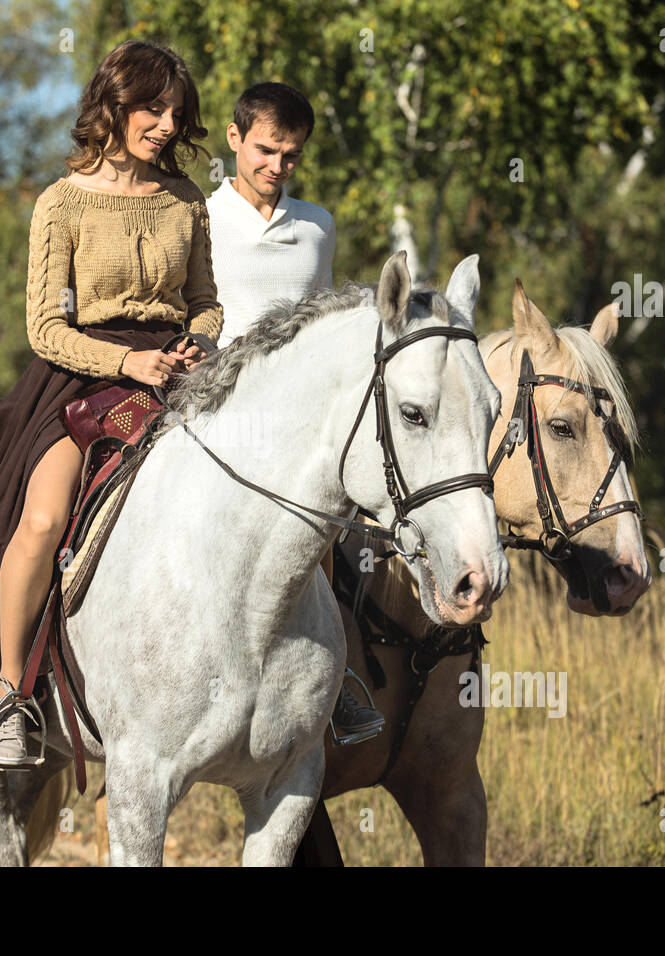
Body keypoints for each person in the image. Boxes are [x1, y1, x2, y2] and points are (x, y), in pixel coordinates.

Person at [0, 40, 222, 770]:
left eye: (175, 112)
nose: (165, 124)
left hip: (175, 373)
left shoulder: (187, 201)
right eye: (151, 108)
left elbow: (207, 304)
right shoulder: (60, 204)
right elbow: (44, 328)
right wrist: (127, 361)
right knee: (40, 519)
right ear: (115, 107)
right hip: (83, 381)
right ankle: (10, 694)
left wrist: (193, 342)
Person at [206, 82, 383, 742]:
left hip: (298, 416)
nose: (275, 166)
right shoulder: (199, 217)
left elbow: (324, 323)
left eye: (291, 155)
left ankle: (337, 680)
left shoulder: (318, 225)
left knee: (331, 526)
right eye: (265, 149)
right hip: (215, 403)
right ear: (234, 139)